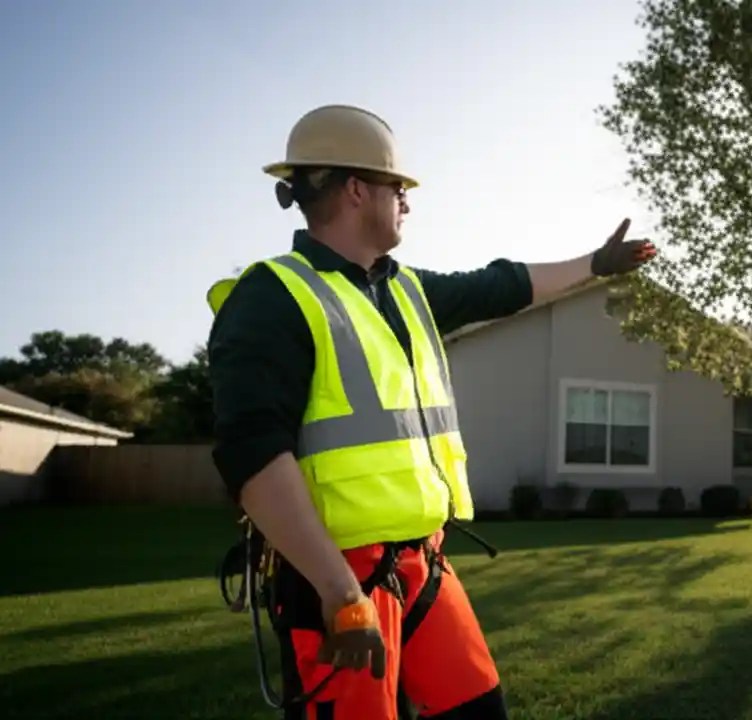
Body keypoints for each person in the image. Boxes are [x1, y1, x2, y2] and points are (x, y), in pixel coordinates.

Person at [206, 104, 656, 720]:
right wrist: (341, 595)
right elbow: (252, 458)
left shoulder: (403, 288)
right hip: (337, 577)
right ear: (358, 189)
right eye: (398, 188)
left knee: (478, 710)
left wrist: (594, 266)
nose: (408, 203)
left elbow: (502, 285)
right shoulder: (272, 296)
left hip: (422, 564)